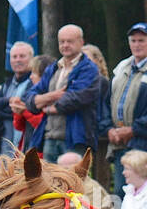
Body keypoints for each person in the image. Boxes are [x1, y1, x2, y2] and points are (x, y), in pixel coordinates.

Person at [106, 22, 147, 192]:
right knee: (121, 192)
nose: (137, 45)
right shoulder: (120, 69)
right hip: (119, 143)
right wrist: (108, 129)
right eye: (133, 40)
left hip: (144, 144)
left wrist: (133, 129)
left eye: (141, 40)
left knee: (142, 189)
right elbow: (106, 101)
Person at [24, 24, 100, 159]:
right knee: (48, 180)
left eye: (70, 41)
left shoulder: (89, 69)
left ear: (81, 42)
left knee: (74, 180)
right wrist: (51, 96)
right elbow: (29, 98)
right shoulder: (53, 68)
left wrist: (46, 106)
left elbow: (76, 98)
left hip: (75, 139)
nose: (65, 45)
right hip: (49, 137)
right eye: (62, 41)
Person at [0, 40, 34, 151]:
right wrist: (9, 100)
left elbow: (24, 108)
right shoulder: (8, 83)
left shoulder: (35, 82)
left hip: (25, 138)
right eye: (14, 57)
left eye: (22, 56)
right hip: (3, 138)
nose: (18, 60)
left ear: (31, 59)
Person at [11, 54, 55, 153]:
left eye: (34, 73)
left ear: (45, 76)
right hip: (26, 148)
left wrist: (25, 111)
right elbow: (19, 127)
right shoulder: (32, 95)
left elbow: (42, 125)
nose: (31, 77)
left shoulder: (50, 98)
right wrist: (17, 112)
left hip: (41, 153)